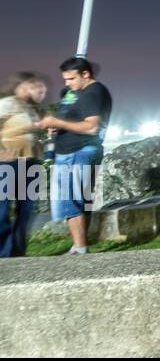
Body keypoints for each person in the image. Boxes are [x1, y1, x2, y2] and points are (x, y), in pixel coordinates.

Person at [35, 57, 111, 256]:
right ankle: (79, 246)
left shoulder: (93, 93)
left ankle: (79, 249)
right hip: (71, 152)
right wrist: (56, 125)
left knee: (72, 200)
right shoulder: (76, 93)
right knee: (76, 200)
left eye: (70, 79)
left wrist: (58, 123)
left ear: (85, 74)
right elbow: (71, 117)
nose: (67, 84)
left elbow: (92, 126)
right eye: (65, 79)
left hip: (78, 152)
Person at [0, 72, 47, 257]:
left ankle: (18, 253)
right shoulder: (7, 104)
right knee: (2, 211)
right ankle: (3, 253)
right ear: (20, 86)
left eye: (40, 87)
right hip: (7, 164)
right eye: (34, 86)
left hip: (31, 164)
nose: (39, 90)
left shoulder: (33, 109)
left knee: (26, 210)